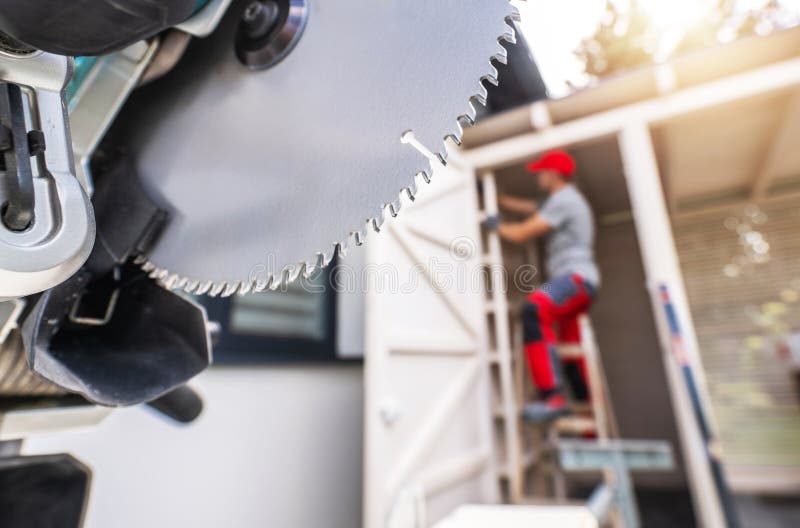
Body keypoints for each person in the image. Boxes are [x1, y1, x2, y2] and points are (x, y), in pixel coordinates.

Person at [485, 150, 600, 422]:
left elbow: (523, 232)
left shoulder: (564, 201)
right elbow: (527, 207)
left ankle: (552, 397)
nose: (538, 176)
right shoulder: (559, 200)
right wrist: (495, 198)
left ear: (553, 174)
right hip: (580, 282)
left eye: (541, 171)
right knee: (571, 352)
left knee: (533, 310)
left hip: (574, 279)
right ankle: (588, 422)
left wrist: (497, 227)